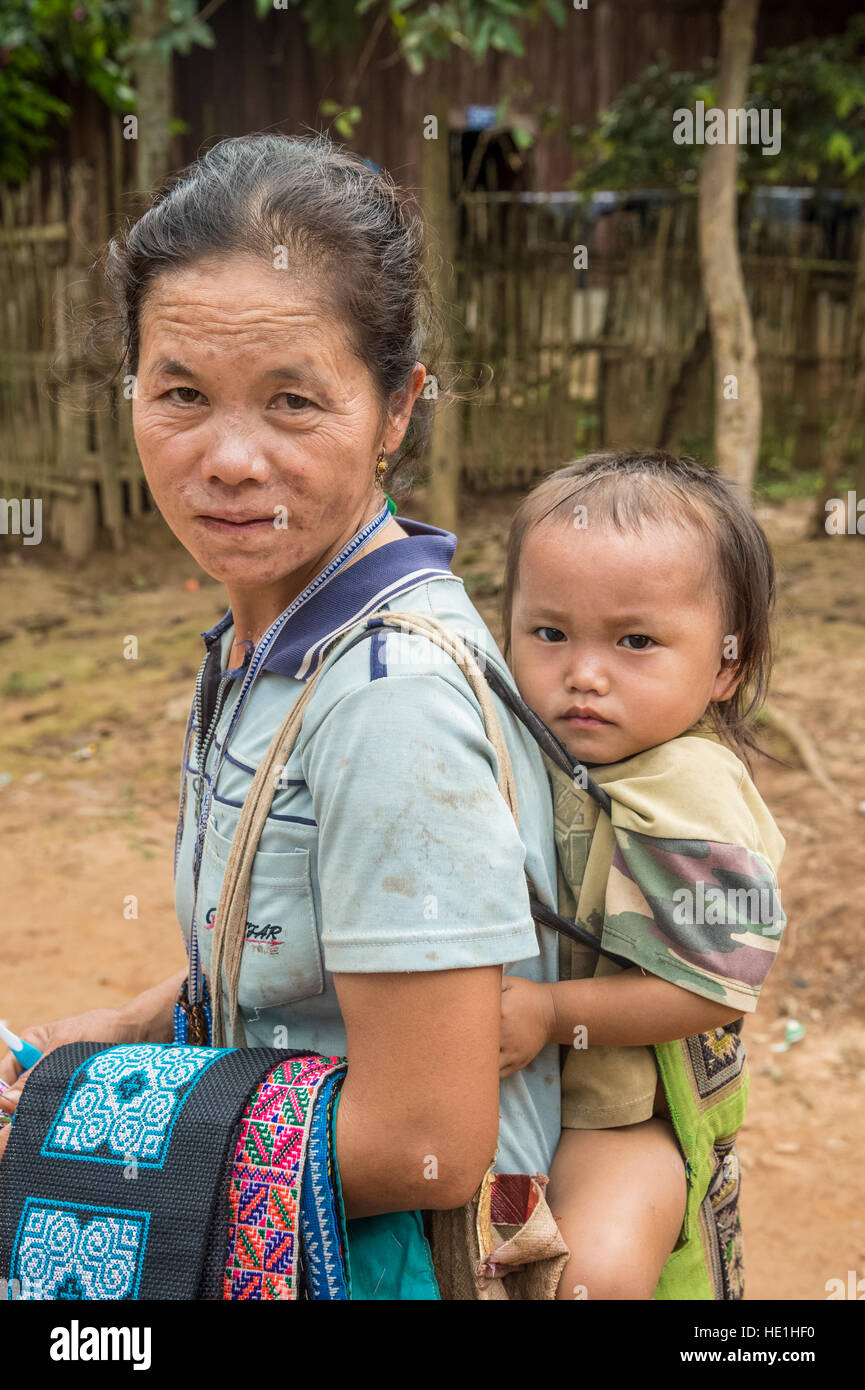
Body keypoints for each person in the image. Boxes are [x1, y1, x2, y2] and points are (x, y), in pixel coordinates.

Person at [0, 133, 563, 1236]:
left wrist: (80, 1140)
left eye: (293, 402)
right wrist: (110, 1034)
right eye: (181, 393)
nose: (229, 458)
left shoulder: (386, 701)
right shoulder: (266, 648)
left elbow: (429, 1141)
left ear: (396, 409)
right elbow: (283, 973)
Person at [496, 450, 787, 1299]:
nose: (583, 674)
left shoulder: (687, 787)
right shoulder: (525, 745)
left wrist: (551, 1013)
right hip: (528, 1095)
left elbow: (711, 988)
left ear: (725, 666)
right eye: (549, 633)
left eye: (635, 641)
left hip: (625, 1113)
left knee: (591, 1275)